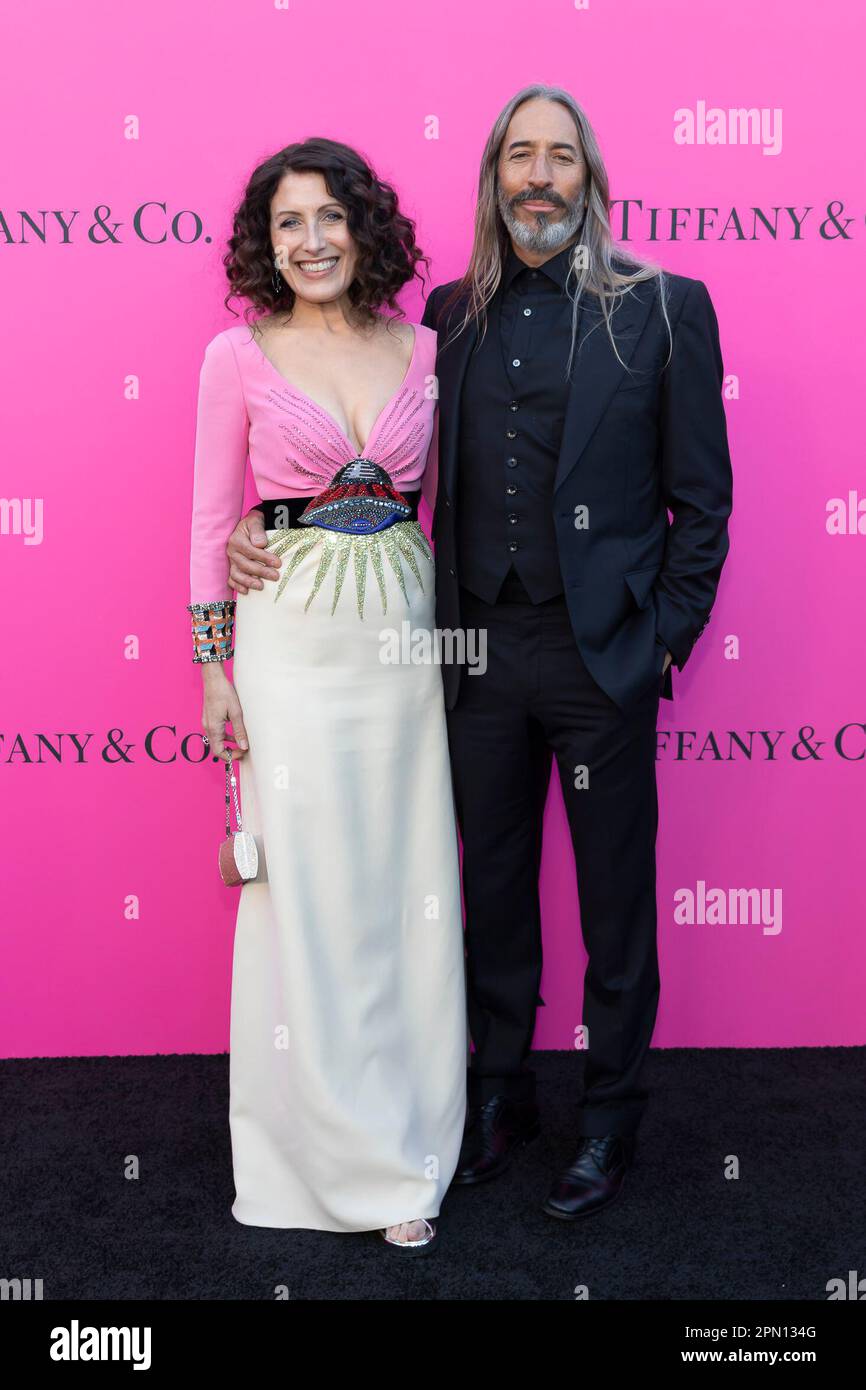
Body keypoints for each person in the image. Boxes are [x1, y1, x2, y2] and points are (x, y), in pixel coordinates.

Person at [226, 87, 733, 1222]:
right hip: (467, 653)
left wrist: (661, 645)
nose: (538, 177)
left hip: (603, 657)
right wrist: (262, 522)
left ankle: (608, 1118)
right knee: (490, 891)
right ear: (494, 178)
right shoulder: (445, 315)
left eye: (560, 156)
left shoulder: (663, 309)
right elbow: (366, 462)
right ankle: (495, 1094)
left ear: (589, 177)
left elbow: (701, 503)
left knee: (613, 902)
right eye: (520, 156)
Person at [186, 137, 467, 1252]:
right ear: (266, 243)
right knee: (305, 894)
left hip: (400, 646)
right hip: (288, 647)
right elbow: (213, 523)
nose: (309, 241)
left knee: (399, 889)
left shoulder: (428, 346)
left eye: (328, 217)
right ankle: (315, 1155)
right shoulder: (235, 357)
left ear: (364, 228)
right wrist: (212, 668)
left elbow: (436, 508)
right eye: (287, 223)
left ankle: (405, 1148)